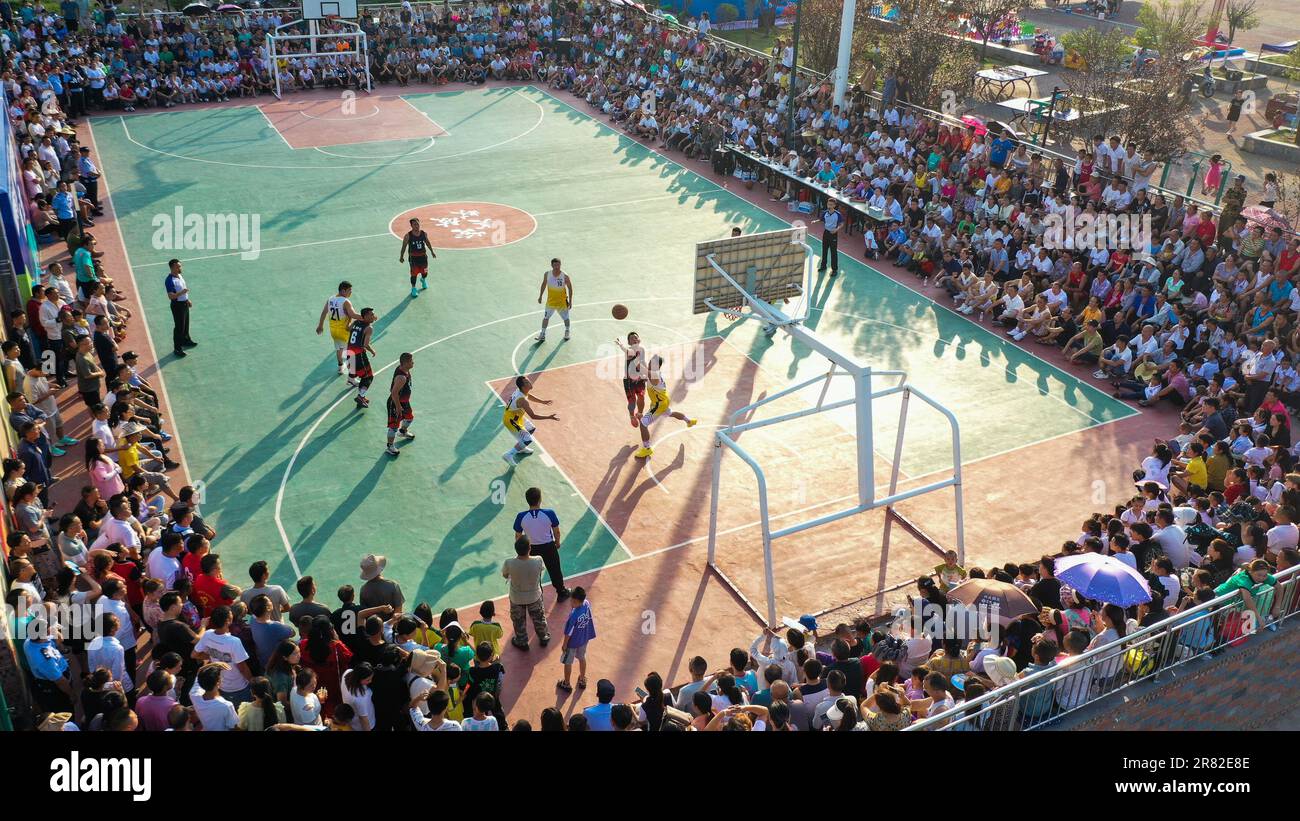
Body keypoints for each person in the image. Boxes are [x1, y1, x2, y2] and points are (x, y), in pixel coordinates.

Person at [634, 354, 697, 459]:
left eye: (652, 363)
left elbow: (642, 369)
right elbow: (646, 376)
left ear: (657, 366)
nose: (649, 363)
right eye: (650, 362)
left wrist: (634, 358)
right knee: (670, 413)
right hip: (663, 401)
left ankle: (647, 448)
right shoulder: (654, 374)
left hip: (658, 404)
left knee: (643, 423)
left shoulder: (654, 374)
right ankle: (689, 421)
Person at [513, 486, 569, 601]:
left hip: (530, 549)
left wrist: (521, 552)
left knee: (534, 573)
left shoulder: (521, 516)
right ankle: (561, 592)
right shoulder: (549, 513)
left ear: (527, 500)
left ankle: (537, 596)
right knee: (555, 570)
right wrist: (557, 542)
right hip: (548, 547)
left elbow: (518, 536)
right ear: (540, 499)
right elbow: (556, 531)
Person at [503, 533, 550, 650]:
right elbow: (541, 570)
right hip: (534, 596)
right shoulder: (538, 560)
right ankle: (543, 636)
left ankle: (522, 641)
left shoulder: (509, 562)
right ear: (529, 548)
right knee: (539, 617)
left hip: (516, 598)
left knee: (518, 621)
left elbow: (505, 575)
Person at [500, 375, 559, 466]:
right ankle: (508, 455)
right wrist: (549, 417)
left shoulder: (521, 391)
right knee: (527, 439)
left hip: (516, 416)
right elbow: (533, 416)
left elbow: (528, 395)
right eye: (527, 382)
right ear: (523, 387)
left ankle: (521, 448)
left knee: (531, 428)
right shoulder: (522, 401)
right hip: (511, 421)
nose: (530, 382)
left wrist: (542, 401)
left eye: (528, 380)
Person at [315, 280, 360, 377]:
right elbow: (353, 314)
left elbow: (324, 313)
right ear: (343, 291)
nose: (351, 292)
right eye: (349, 290)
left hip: (333, 331)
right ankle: (352, 377)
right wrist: (365, 317)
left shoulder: (331, 299)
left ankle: (340, 367)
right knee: (351, 353)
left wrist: (320, 325)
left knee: (339, 348)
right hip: (344, 331)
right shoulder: (345, 301)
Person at [558, 586, 595, 693]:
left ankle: (566, 683)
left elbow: (568, 632)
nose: (571, 603)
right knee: (582, 657)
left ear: (577, 601)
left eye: (573, 601)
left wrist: (565, 645)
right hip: (584, 638)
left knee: (568, 662)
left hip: (573, 643)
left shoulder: (574, 614)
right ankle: (582, 679)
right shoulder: (587, 604)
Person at [535, 257, 573, 343]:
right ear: (551, 265)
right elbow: (544, 284)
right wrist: (540, 296)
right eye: (555, 265)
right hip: (550, 302)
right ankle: (542, 334)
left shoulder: (565, 276)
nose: (557, 266)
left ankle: (567, 332)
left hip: (562, 302)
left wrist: (570, 301)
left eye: (558, 264)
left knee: (566, 318)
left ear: (560, 265)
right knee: (546, 317)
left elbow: (570, 288)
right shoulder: (547, 274)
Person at [385, 352, 416, 456]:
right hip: (395, 403)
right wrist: (398, 407)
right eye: (411, 361)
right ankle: (390, 446)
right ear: (406, 363)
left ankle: (402, 431)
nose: (413, 363)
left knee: (409, 417)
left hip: (404, 402)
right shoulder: (401, 377)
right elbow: (393, 393)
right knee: (393, 426)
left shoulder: (404, 369)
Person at [345, 307, 377, 408]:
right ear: (366, 316)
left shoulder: (356, 321)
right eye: (371, 314)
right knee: (368, 376)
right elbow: (365, 344)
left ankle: (351, 379)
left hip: (349, 350)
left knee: (354, 368)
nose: (373, 316)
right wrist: (372, 351)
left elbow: (348, 329)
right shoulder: (369, 328)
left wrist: (350, 319)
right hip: (359, 354)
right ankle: (361, 396)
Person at [164, 259, 195, 357]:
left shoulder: (179, 276)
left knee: (185, 325)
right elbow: (171, 296)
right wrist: (182, 293)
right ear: (173, 267)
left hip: (184, 304)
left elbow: (183, 288)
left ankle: (186, 340)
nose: (180, 268)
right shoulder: (169, 280)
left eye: (180, 266)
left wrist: (187, 299)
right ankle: (177, 349)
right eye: (178, 266)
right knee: (179, 328)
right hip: (177, 306)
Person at [398, 217, 435, 298]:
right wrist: (401, 256)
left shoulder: (423, 233)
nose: (417, 226)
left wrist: (432, 252)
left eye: (417, 224)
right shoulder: (408, 236)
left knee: (425, 273)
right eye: (414, 224)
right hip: (413, 259)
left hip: (423, 258)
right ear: (411, 226)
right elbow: (403, 246)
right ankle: (413, 288)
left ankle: (423, 279)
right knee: (414, 274)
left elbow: (428, 243)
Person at [818, 198, 843, 276]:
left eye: (831, 205)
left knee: (833, 252)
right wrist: (816, 221)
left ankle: (834, 269)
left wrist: (836, 229)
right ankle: (823, 266)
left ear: (834, 205)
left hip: (833, 234)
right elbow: (821, 219)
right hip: (826, 233)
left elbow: (842, 224)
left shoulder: (838, 214)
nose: (829, 206)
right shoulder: (825, 212)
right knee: (824, 250)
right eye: (828, 204)